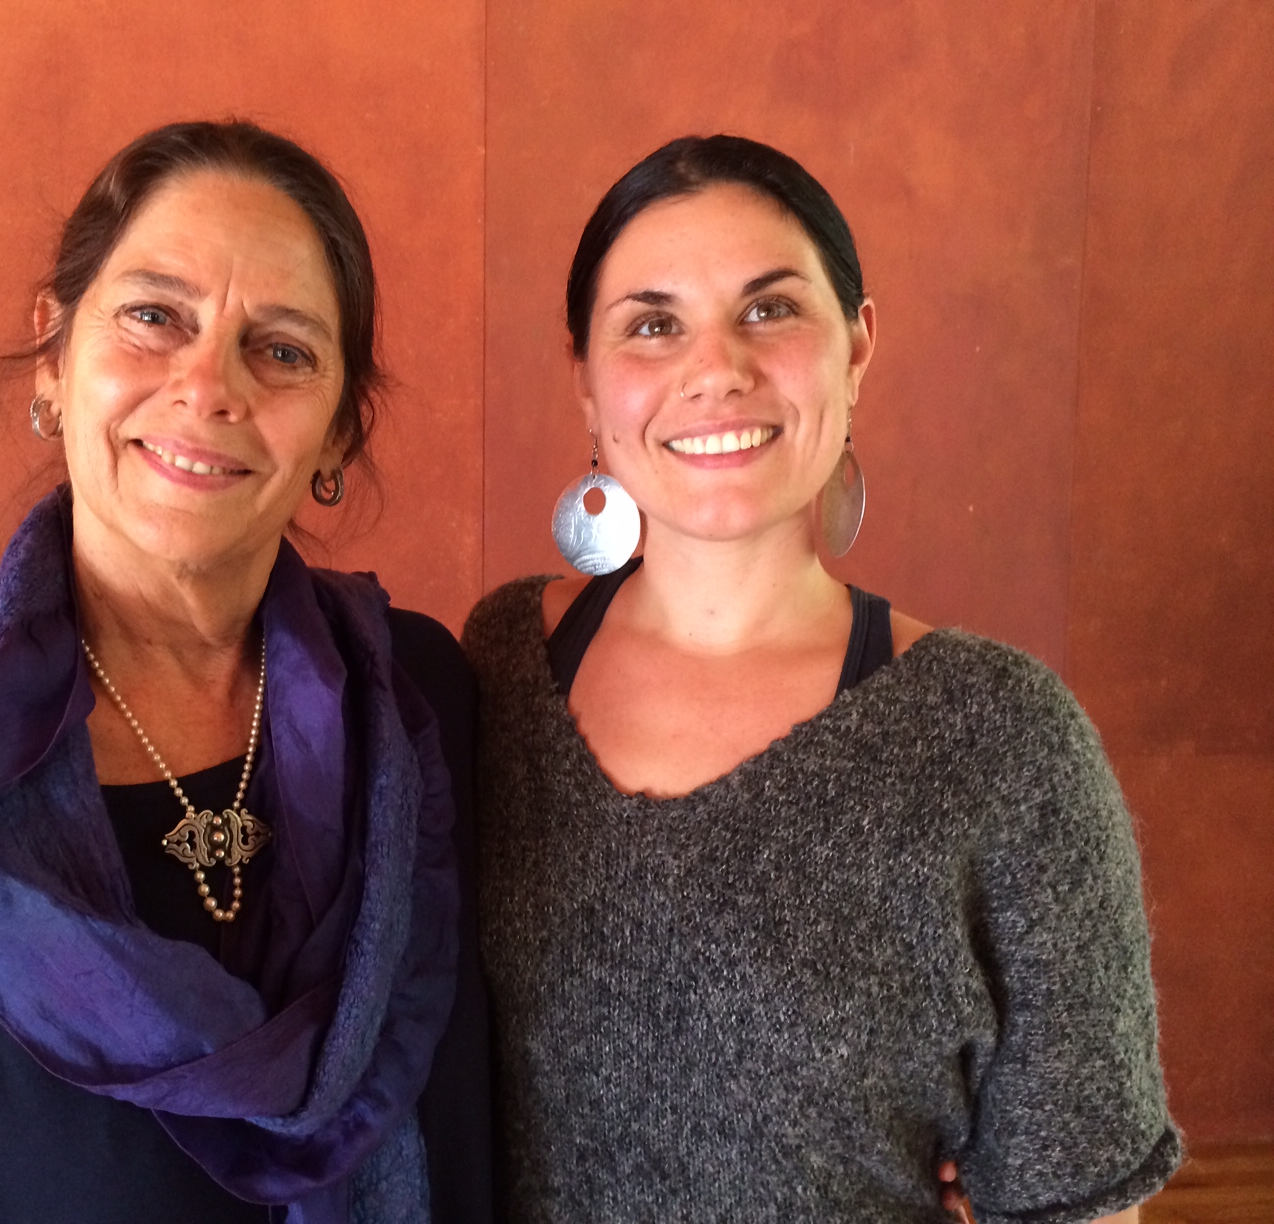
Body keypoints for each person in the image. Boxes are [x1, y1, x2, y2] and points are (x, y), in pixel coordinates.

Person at [0, 121, 490, 1224]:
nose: (207, 387)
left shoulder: (418, 707)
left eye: (282, 350)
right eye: (155, 317)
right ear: (55, 357)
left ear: (337, 433)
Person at [462, 135, 1180, 1223]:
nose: (716, 370)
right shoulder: (494, 669)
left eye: (769, 310)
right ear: (586, 382)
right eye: (653, 324)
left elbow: (1081, 1197)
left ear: (856, 348)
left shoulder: (1003, 740)